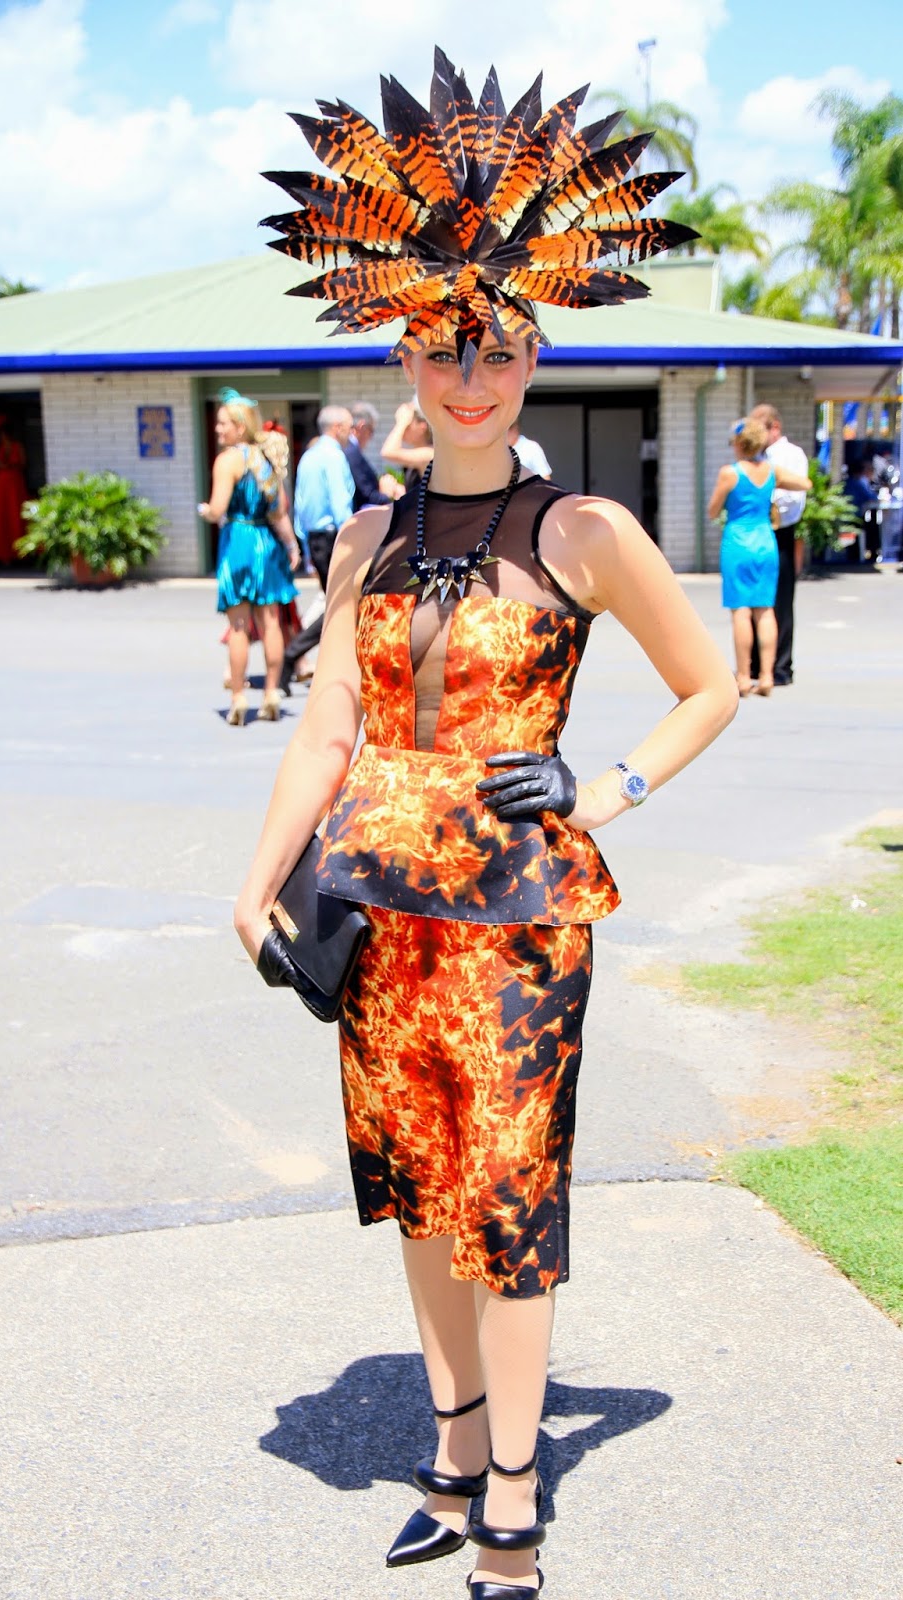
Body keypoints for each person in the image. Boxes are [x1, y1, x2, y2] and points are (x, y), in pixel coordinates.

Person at [239, 50, 729, 1599]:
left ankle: (517, 1481)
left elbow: (710, 684)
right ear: (402, 347)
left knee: (510, 1194)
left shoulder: (583, 529)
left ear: (532, 354)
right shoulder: (369, 537)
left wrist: (604, 789)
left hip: (520, 914)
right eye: (445, 348)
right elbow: (327, 721)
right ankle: (451, 1447)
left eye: (499, 349)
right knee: (413, 1183)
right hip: (375, 904)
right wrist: (255, 879)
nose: (471, 378)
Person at [200, 388, 300, 726]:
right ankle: (272, 691)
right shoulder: (267, 461)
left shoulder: (227, 460)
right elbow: (279, 512)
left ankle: (239, 697)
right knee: (271, 621)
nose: (218, 429)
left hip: (239, 540)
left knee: (239, 626)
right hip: (266, 541)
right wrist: (292, 546)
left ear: (240, 427)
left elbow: (217, 509)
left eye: (223, 423)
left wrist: (205, 511)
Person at [709, 418, 811, 697]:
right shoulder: (772, 472)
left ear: (740, 444)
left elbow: (712, 510)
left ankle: (743, 676)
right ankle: (766, 676)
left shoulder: (729, 474)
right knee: (765, 610)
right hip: (766, 541)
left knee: (741, 610)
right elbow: (806, 483)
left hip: (738, 542)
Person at [280, 405, 356, 693]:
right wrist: (353, 542)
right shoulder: (334, 457)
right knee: (341, 606)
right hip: (334, 538)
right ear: (336, 427)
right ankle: (293, 653)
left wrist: (307, 548)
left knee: (337, 604)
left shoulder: (309, 456)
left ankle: (300, 656)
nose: (351, 432)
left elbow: (301, 507)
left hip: (315, 538)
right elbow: (340, 504)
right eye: (349, 426)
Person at [748, 403, 809, 685]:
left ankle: (781, 666)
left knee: (781, 601)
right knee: (754, 601)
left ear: (775, 428)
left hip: (781, 532)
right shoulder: (755, 455)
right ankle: (756, 664)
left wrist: (768, 498)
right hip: (755, 532)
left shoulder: (790, 455)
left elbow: (796, 498)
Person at [345, 403, 404, 511]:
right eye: (371, 431)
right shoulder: (351, 452)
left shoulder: (349, 449)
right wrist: (386, 494)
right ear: (362, 427)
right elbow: (366, 495)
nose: (370, 437)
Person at [381, 400, 434, 491]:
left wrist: (401, 423)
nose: (404, 430)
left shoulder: (430, 453)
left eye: (408, 425)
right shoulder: (419, 452)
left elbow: (388, 452)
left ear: (422, 427)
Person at [0, 417, 27, 565]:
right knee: (3, 517)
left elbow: (23, 463)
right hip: (2, 486)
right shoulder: (0, 449)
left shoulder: (17, 446)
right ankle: (4, 554)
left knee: (16, 515)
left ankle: (20, 554)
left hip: (15, 485)